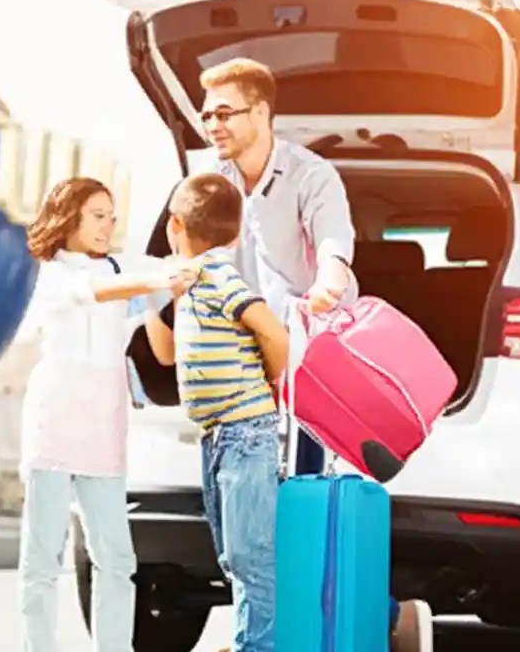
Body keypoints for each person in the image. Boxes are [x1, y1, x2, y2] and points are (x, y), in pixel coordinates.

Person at [195, 57, 434, 652]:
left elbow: (333, 239)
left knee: (298, 496)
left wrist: (329, 278)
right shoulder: (214, 180)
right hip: (247, 364)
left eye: (224, 112)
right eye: (206, 113)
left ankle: (377, 619)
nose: (212, 124)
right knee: (240, 512)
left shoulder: (310, 175)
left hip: (310, 360)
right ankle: (270, 628)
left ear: (262, 112)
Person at [15, 176, 191, 652]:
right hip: (53, 428)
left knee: (117, 560)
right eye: (97, 215)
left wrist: (181, 266)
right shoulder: (54, 274)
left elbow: (158, 276)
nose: (107, 224)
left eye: (111, 216)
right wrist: (162, 278)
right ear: (68, 217)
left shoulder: (119, 266)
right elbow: (104, 290)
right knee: (41, 561)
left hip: (104, 433)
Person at [141, 172, 289, 652]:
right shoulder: (192, 285)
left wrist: (268, 378)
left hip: (245, 432)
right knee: (233, 556)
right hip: (218, 436)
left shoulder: (218, 276)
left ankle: (257, 647)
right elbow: (165, 356)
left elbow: (275, 334)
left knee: (250, 555)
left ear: (174, 227)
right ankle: (251, 640)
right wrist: (155, 293)